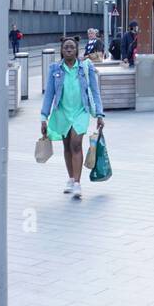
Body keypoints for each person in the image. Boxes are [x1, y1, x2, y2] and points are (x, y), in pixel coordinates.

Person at [40, 37, 105, 199]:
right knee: (67, 147)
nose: (68, 50)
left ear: (77, 50)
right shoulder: (55, 69)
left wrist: (99, 114)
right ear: (61, 50)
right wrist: (44, 116)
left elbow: (95, 92)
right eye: (65, 47)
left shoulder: (85, 68)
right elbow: (49, 94)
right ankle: (70, 178)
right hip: (62, 112)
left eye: (72, 47)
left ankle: (77, 183)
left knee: (76, 144)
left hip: (80, 112)